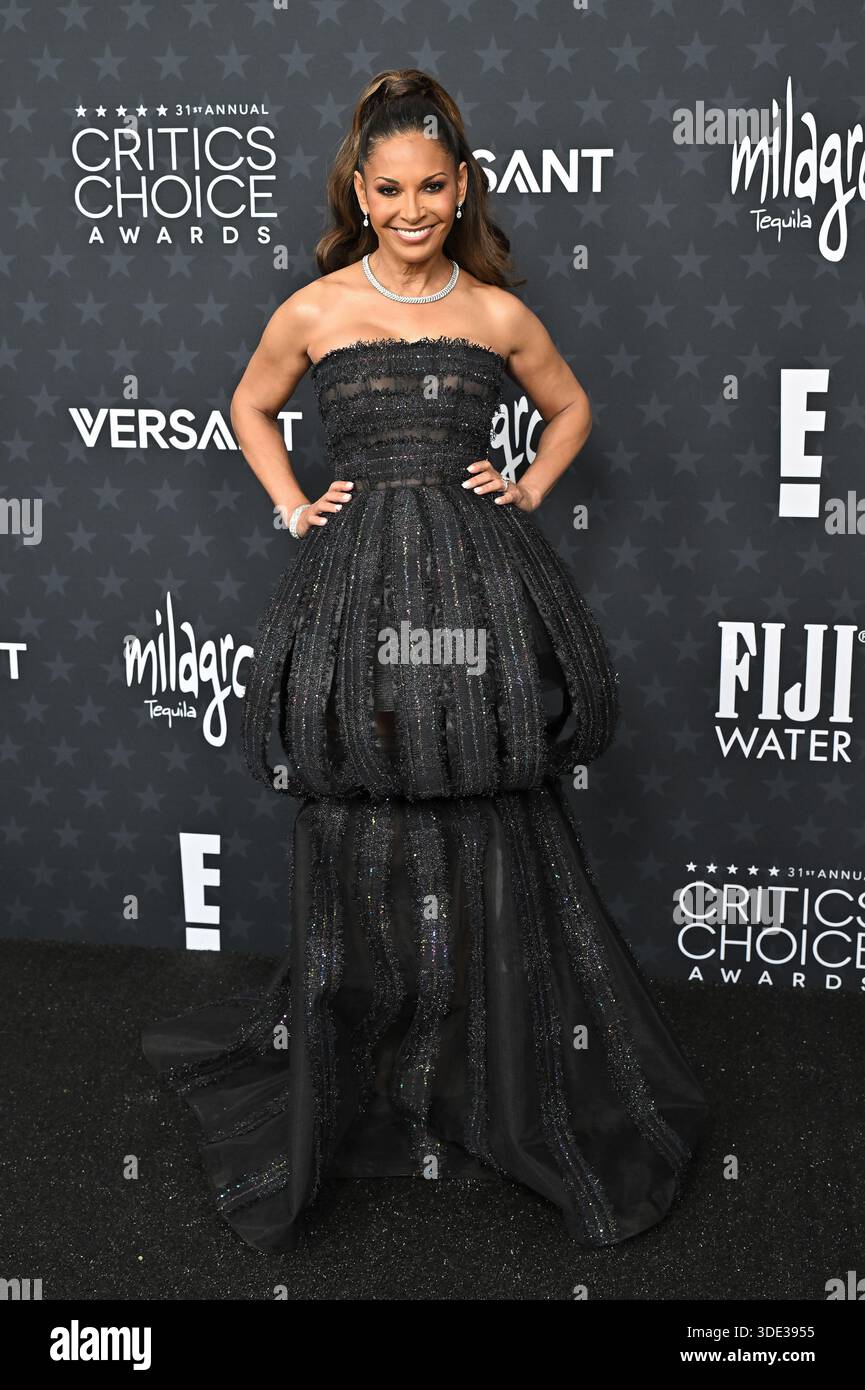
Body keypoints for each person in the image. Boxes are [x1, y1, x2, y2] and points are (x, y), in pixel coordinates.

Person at [142, 68, 708, 1255]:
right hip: (355, 588)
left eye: (431, 188)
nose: (409, 208)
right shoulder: (312, 309)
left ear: (461, 191)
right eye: (388, 188)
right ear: (360, 189)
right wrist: (294, 505)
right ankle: (384, 1038)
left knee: (484, 781)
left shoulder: (497, 315)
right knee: (369, 774)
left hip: (475, 586)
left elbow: (569, 410)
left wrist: (529, 488)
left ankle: (486, 1055)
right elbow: (249, 407)